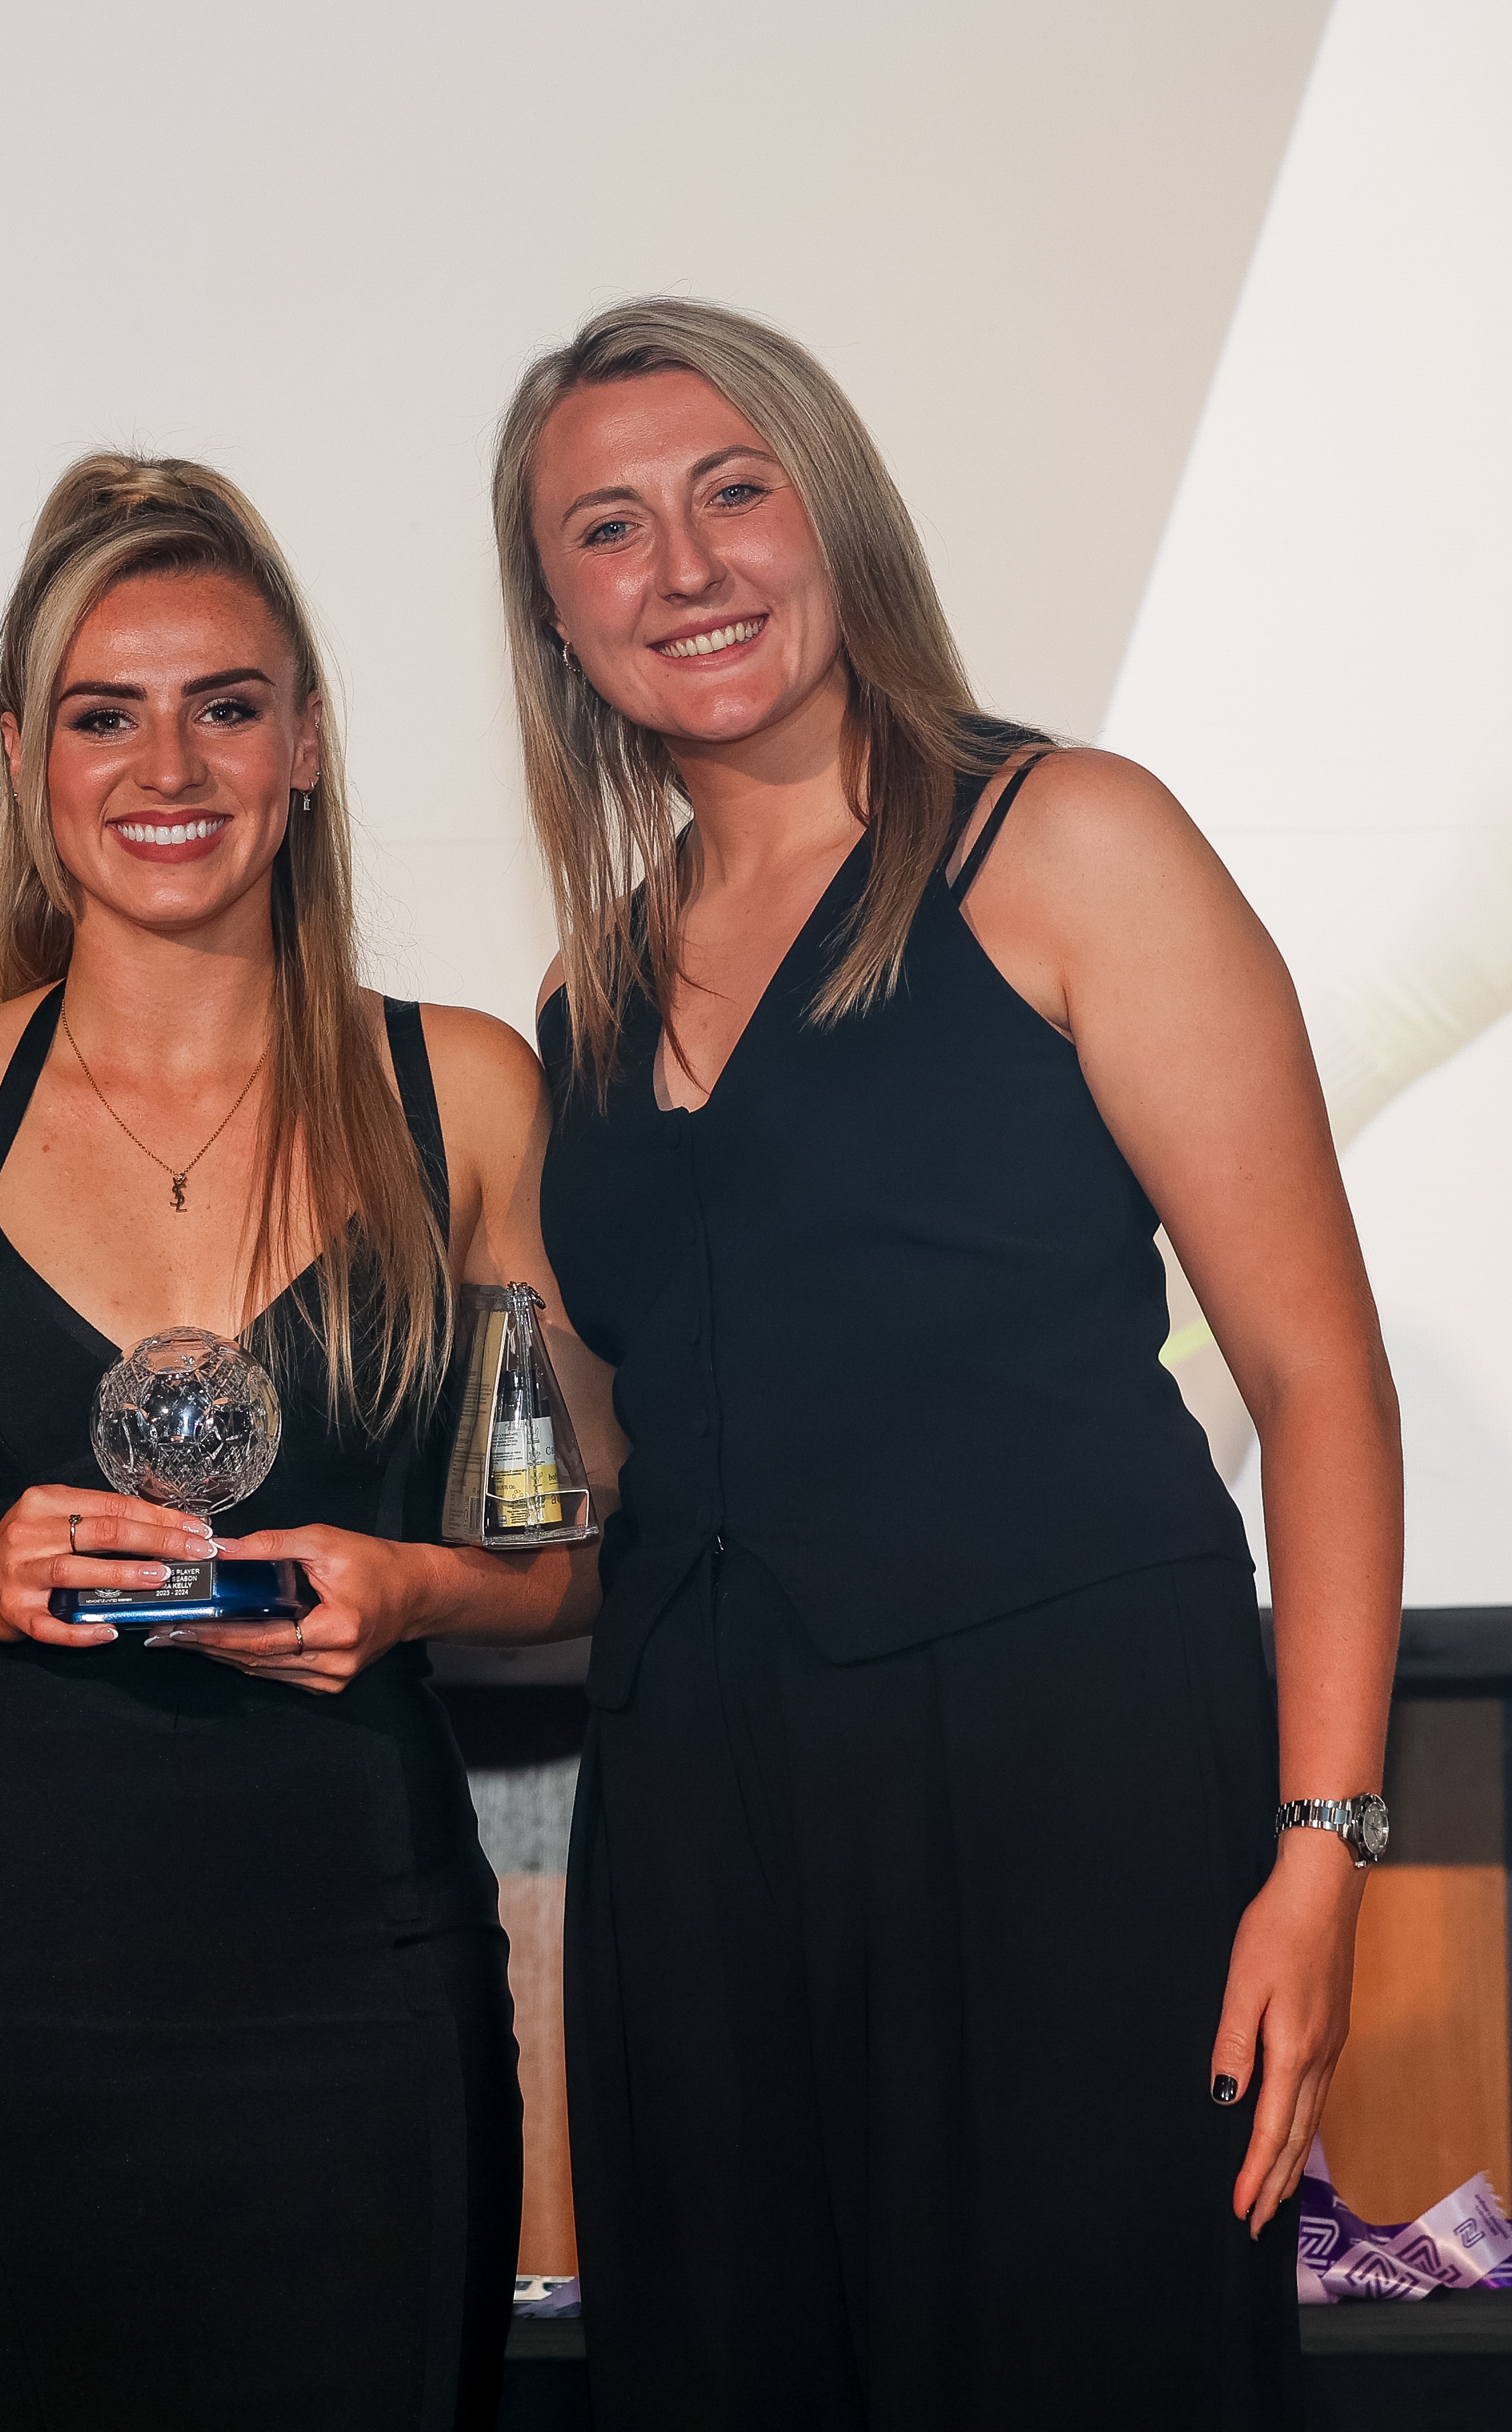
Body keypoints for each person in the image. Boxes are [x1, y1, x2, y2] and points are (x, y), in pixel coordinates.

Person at [495, 297, 1401, 2429]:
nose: (687, 566)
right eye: (609, 531)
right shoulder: (587, 988)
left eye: (735, 491)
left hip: (1065, 1801)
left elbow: (1320, 1381)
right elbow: (638, 1454)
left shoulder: (1071, 841)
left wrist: (1323, 1848)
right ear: (555, 615)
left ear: (838, 514)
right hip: (700, 1839)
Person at [0, 454, 607, 2430]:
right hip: (8, 1991)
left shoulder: (455, 1093)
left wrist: (413, 1592)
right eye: (103, 713)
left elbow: (576, 1553)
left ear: (306, 746)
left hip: (369, 1983)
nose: (172, 762)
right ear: (29, 761)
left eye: (227, 703)